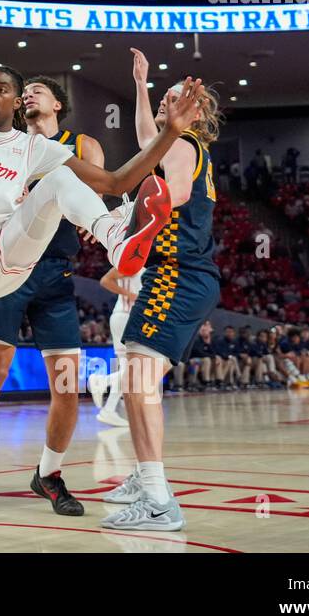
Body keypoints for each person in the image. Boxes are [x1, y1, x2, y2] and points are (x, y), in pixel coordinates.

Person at [0, 0, 202, 536]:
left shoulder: (31, 147)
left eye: (3, 87)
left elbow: (117, 183)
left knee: (60, 181)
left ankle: (117, 237)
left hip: (8, 258)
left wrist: (170, 134)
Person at [0, 75, 107, 521]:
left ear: (59, 104)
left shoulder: (80, 144)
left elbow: (99, 182)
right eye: (25, 92)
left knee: (67, 387)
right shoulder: (6, 143)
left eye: (39, 90)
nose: (28, 96)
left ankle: (50, 473)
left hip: (56, 274)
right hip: (8, 270)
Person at [99, 49, 223, 533]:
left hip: (179, 272)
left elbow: (176, 193)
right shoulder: (177, 142)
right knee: (138, 376)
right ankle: (145, 475)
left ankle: (157, 498)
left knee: (137, 377)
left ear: (197, 112)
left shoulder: (185, 146)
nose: (166, 106)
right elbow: (148, 138)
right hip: (183, 275)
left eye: (177, 99)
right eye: (164, 99)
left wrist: (124, 223)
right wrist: (140, 85)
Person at [94, 268, 140, 423]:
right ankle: (103, 381)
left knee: (128, 369)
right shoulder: (134, 259)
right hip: (126, 316)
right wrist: (130, 295)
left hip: (128, 317)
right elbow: (105, 280)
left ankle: (108, 410)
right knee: (138, 367)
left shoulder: (151, 263)